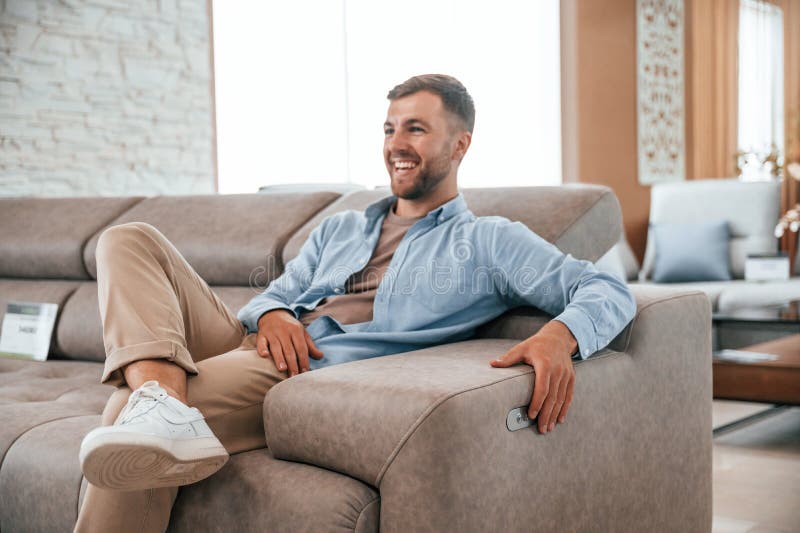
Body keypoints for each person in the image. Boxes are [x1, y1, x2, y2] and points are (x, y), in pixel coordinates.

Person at [75, 74, 636, 532]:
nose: (396, 143)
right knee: (128, 239)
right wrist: (271, 313)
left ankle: (152, 404)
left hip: (304, 368)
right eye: (390, 128)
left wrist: (559, 336)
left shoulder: (489, 241)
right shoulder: (341, 227)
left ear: (459, 145)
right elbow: (277, 293)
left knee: (125, 414)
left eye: (416, 128)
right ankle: (162, 404)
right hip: (255, 337)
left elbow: (605, 289)